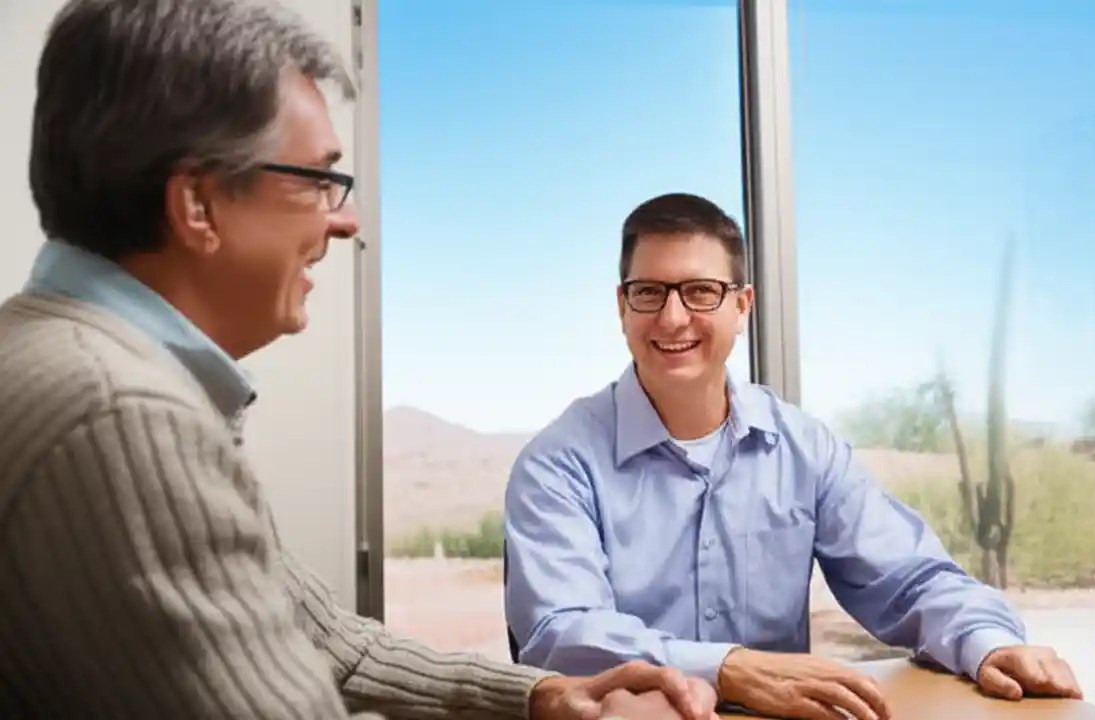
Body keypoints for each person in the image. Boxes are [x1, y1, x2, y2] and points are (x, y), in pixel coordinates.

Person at [0, 2, 719, 719]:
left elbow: (331, 646)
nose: (344, 220)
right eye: (317, 180)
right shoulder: (123, 417)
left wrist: (545, 695)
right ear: (197, 204)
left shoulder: (71, 359)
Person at [504, 192, 1084, 720]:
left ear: (743, 306)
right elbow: (561, 633)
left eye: (701, 291)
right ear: (622, 306)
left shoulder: (804, 447)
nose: (672, 317)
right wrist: (730, 667)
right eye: (649, 292)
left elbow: (908, 579)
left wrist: (989, 642)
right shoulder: (557, 464)